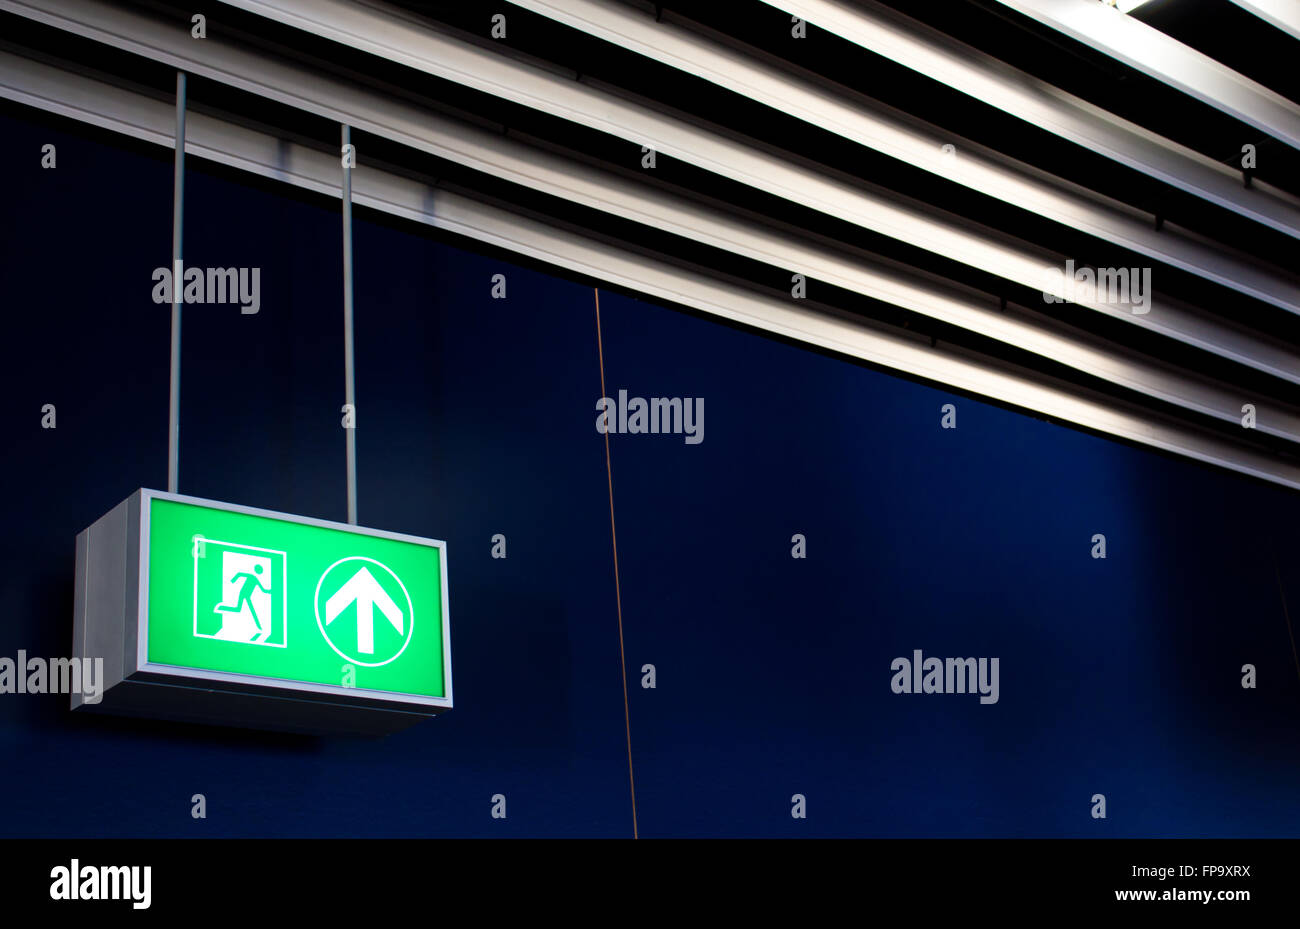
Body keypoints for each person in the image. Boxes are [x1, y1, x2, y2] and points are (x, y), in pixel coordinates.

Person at [215, 563, 270, 635]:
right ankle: (221, 607)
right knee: (241, 609)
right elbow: (239, 574)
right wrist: (233, 580)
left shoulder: (256, 579)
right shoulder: (251, 576)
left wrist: (271, 591)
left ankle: (259, 627)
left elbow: (263, 590)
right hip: (243, 594)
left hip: (247, 596)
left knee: (239, 609)